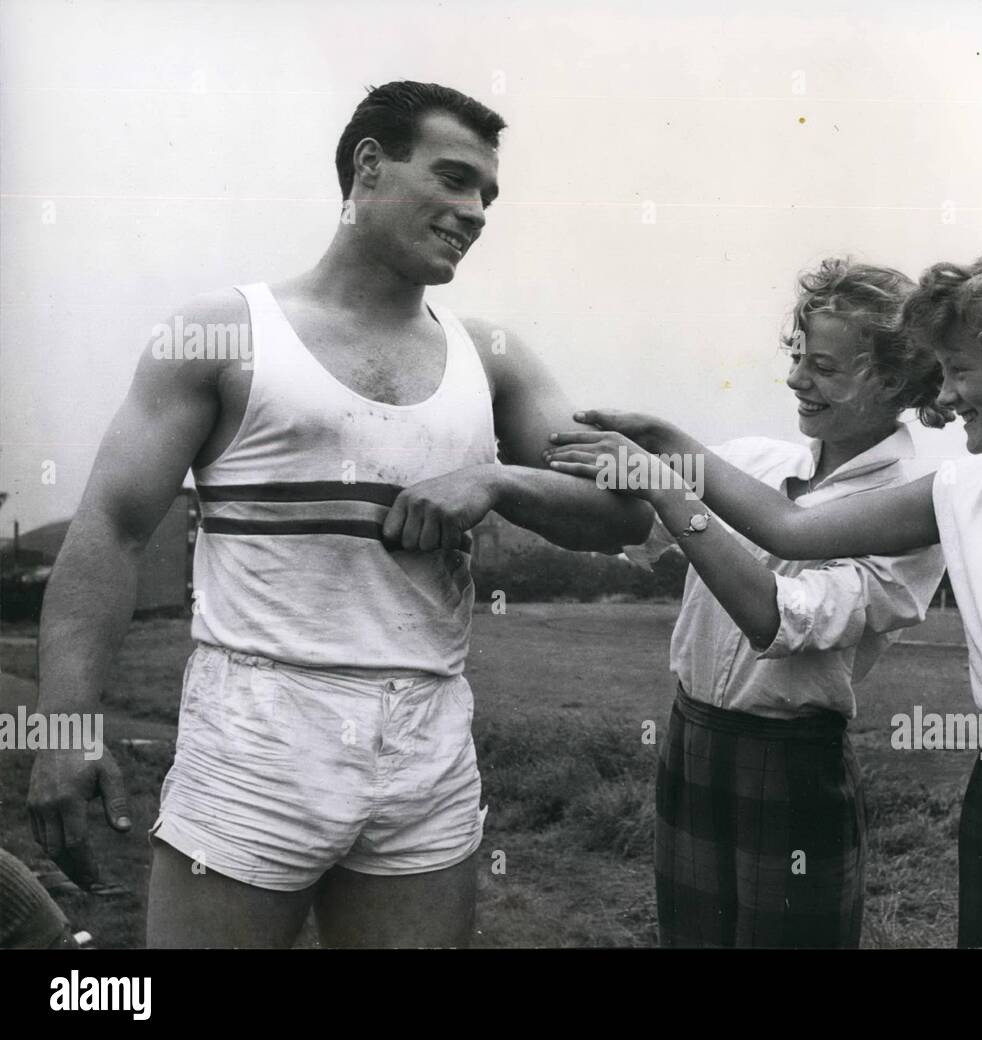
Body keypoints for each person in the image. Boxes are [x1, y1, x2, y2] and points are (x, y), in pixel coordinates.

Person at [26, 80, 651, 949]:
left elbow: (623, 514)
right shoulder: (226, 332)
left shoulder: (493, 357)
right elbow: (112, 531)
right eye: (454, 179)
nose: (475, 212)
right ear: (369, 165)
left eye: (488, 196)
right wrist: (64, 725)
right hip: (257, 728)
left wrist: (499, 483)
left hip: (427, 728)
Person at [547, 241, 982, 949]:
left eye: (959, 371)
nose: (939, 397)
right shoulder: (957, 492)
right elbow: (789, 528)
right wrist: (669, 445)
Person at [552, 260, 947, 947]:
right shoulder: (753, 463)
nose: (797, 378)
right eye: (798, 357)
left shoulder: (912, 509)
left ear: (890, 381)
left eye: (824, 367)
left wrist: (670, 482)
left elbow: (778, 617)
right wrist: (500, 477)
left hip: (790, 764)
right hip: (691, 738)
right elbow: (629, 527)